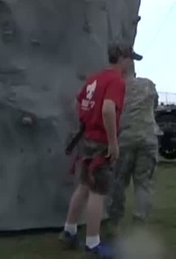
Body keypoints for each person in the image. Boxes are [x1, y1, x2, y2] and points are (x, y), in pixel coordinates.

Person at [59, 43, 138, 258]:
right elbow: (107, 110)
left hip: (87, 139)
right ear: (122, 58)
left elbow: (76, 102)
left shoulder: (94, 78)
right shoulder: (116, 81)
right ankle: (93, 244)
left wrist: (87, 122)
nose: (130, 63)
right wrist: (112, 142)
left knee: (84, 185)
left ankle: (69, 230)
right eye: (130, 58)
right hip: (101, 142)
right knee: (97, 192)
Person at [108, 71, 160, 230]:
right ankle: (140, 220)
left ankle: (114, 222)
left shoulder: (116, 86)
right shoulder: (149, 84)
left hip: (125, 137)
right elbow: (155, 105)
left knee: (118, 182)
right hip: (148, 138)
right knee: (143, 183)